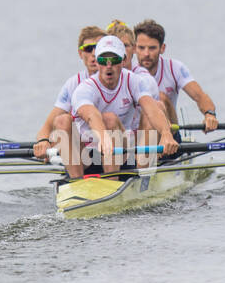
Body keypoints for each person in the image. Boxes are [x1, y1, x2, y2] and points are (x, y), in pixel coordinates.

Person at [68, 34, 178, 178]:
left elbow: (151, 109)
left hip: (124, 152)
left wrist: (166, 134)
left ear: (123, 60)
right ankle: (79, 180)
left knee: (154, 107)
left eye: (114, 60)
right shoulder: (85, 89)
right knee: (65, 121)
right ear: (97, 62)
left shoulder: (134, 80)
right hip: (91, 154)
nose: (109, 66)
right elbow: (90, 115)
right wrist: (103, 137)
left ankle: (142, 176)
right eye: (103, 60)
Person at [132, 18, 218, 133]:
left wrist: (210, 114)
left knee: (160, 98)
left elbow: (199, 96)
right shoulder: (129, 72)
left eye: (152, 48)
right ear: (134, 48)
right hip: (139, 135)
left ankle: (165, 140)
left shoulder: (175, 68)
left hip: (170, 133)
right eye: (141, 48)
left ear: (162, 48)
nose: (146, 54)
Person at [32, 26, 104, 161]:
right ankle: (76, 177)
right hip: (84, 153)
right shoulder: (73, 83)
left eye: (98, 48)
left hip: (114, 149)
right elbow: (47, 126)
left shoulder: (120, 78)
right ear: (80, 53)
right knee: (61, 122)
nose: (94, 53)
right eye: (88, 49)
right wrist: (43, 141)